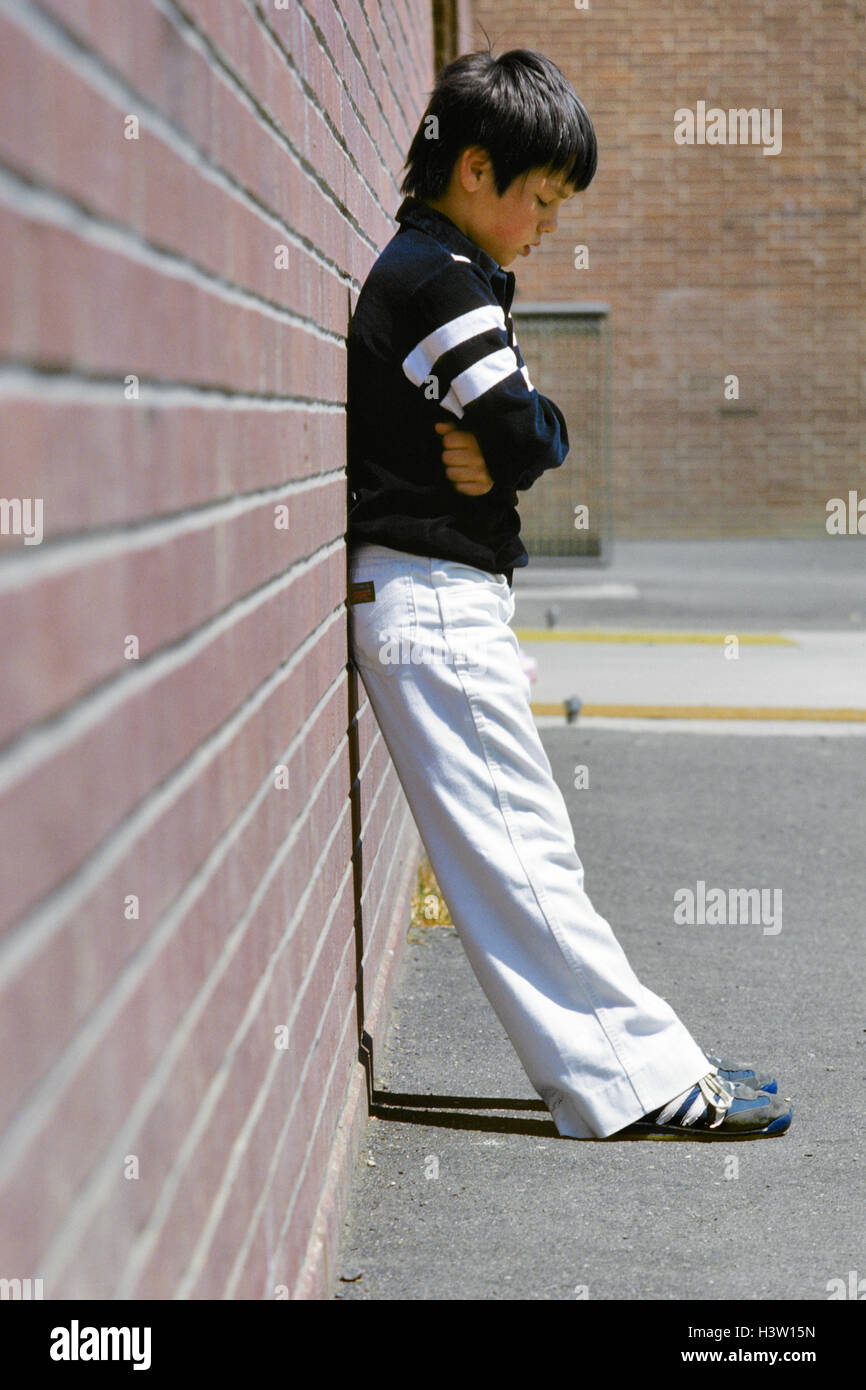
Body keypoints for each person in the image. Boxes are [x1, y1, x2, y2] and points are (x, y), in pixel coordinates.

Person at [345, 47, 791, 1140]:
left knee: (522, 849)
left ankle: (636, 1067)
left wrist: (508, 445)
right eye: (539, 201)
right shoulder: (436, 277)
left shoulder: (447, 270)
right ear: (477, 172)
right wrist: (508, 448)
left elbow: (518, 431)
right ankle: (636, 1083)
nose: (546, 226)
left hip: (439, 602)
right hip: (432, 602)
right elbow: (525, 432)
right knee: (522, 852)